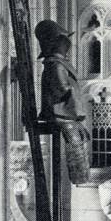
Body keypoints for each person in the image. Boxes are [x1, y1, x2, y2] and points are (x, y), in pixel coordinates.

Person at [35, 19, 90, 184]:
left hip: (65, 113)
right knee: (74, 137)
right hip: (58, 113)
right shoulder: (55, 65)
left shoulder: (59, 63)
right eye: (63, 39)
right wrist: (74, 96)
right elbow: (62, 88)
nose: (68, 43)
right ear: (56, 42)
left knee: (80, 134)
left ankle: (81, 177)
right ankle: (79, 177)